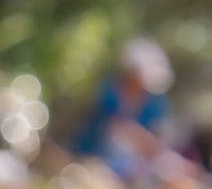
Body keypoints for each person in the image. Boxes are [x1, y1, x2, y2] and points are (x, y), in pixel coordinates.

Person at [74, 38, 173, 179]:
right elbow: (109, 125)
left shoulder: (155, 103)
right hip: (88, 162)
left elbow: (156, 141)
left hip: (126, 176)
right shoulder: (107, 91)